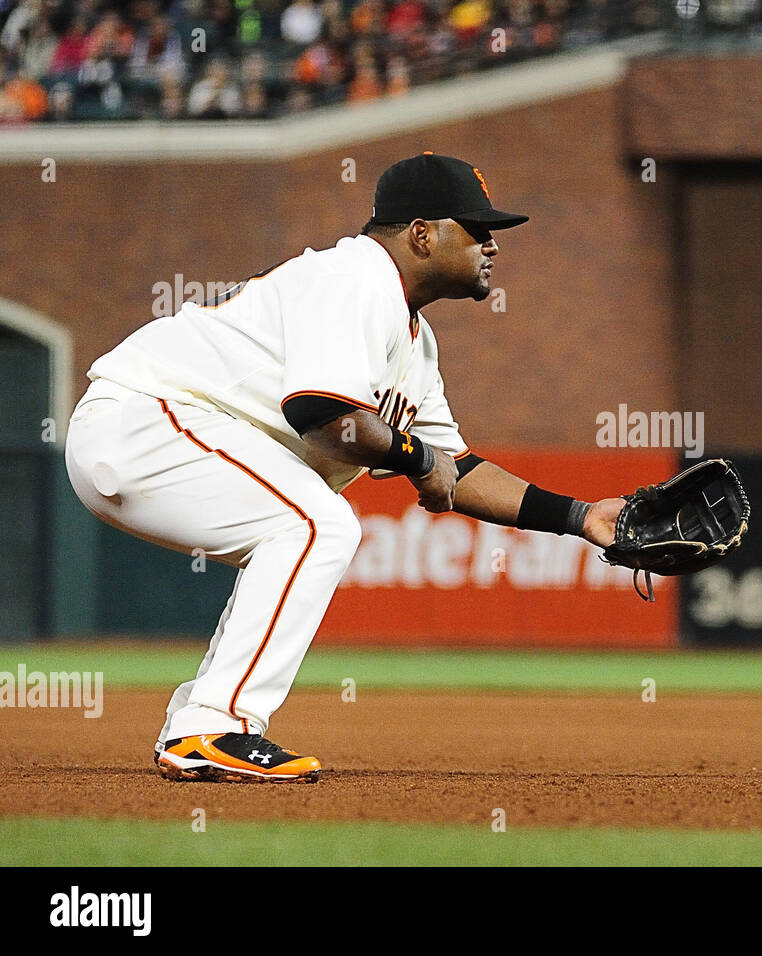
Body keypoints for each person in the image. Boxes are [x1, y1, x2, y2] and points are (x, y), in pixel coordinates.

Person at [65, 153, 629, 782]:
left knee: (302, 529)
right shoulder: (355, 278)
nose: (492, 245)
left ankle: (198, 726)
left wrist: (582, 518)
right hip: (147, 418)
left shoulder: (413, 339)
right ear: (422, 232)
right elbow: (321, 411)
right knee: (319, 527)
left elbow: (459, 471)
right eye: (477, 228)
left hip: (163, 435)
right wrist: (417, 459)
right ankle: (216, 725)